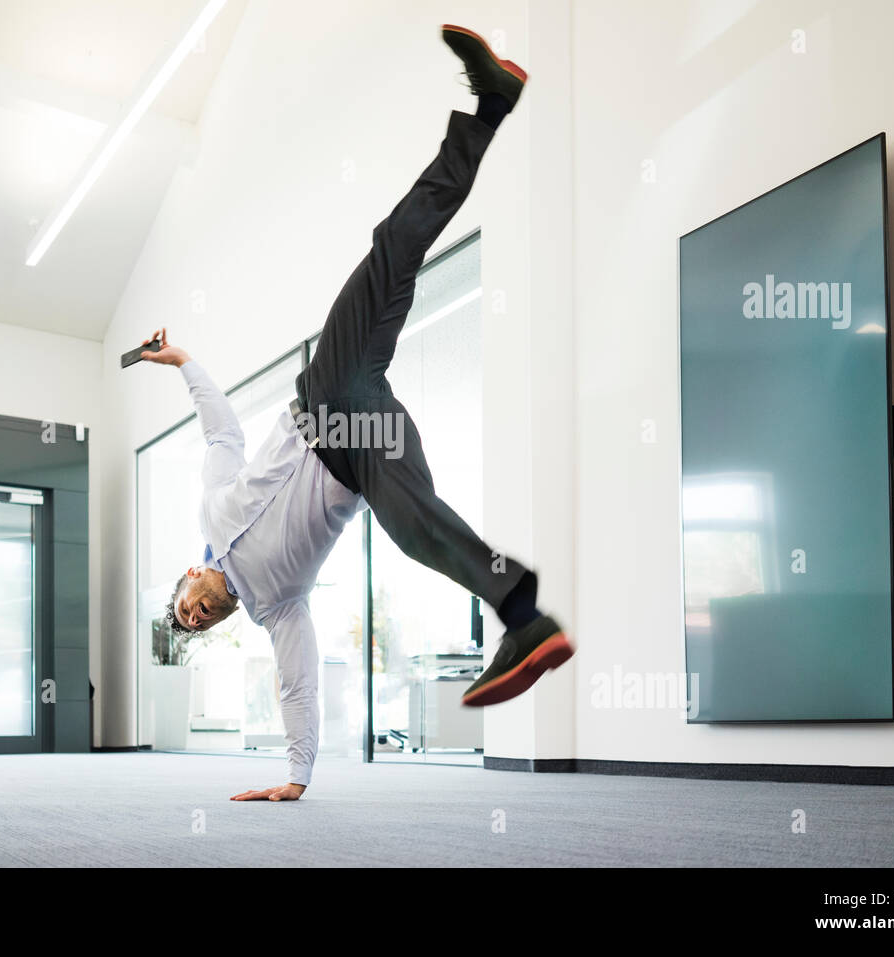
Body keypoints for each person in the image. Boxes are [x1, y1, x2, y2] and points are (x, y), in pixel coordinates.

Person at [138, 25, 573, 802]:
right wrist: (296, 776)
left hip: (331, 386)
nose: (196, 614)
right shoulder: (279, 609)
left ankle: (490, 108)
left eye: (186, 604)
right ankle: (523, 612)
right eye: (198, 624)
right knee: (411, 524)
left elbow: (220, 429)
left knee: (391, 249)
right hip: (364, 444)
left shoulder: (212, 498)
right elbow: (297, 686)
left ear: (190, 573)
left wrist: (185, 363)